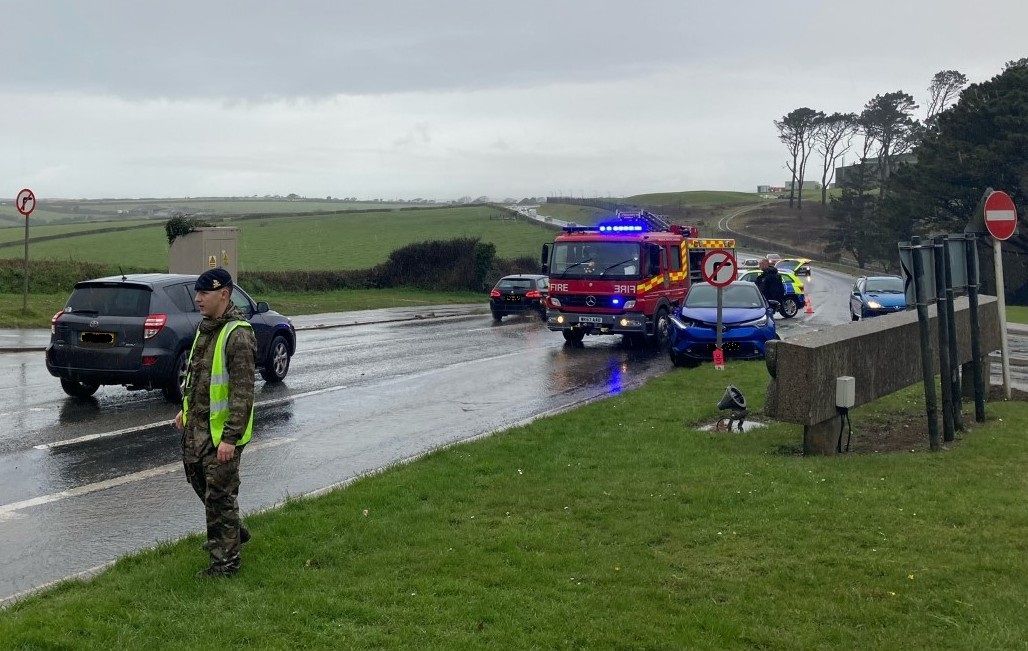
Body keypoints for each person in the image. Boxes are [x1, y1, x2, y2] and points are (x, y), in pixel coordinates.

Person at [174, 268, 257, 578]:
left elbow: (242, 392)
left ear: (224, 294)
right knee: (198, 481)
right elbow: (196, 376)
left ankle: (225, 565)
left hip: (222, 435)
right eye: (197, 294)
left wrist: (230, 439)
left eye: (204, 294)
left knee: (218, 495)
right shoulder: (206, 328)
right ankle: (232, 530)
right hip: (198, 429)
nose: (198, 299)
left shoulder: (238, 334)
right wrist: (185, 409)